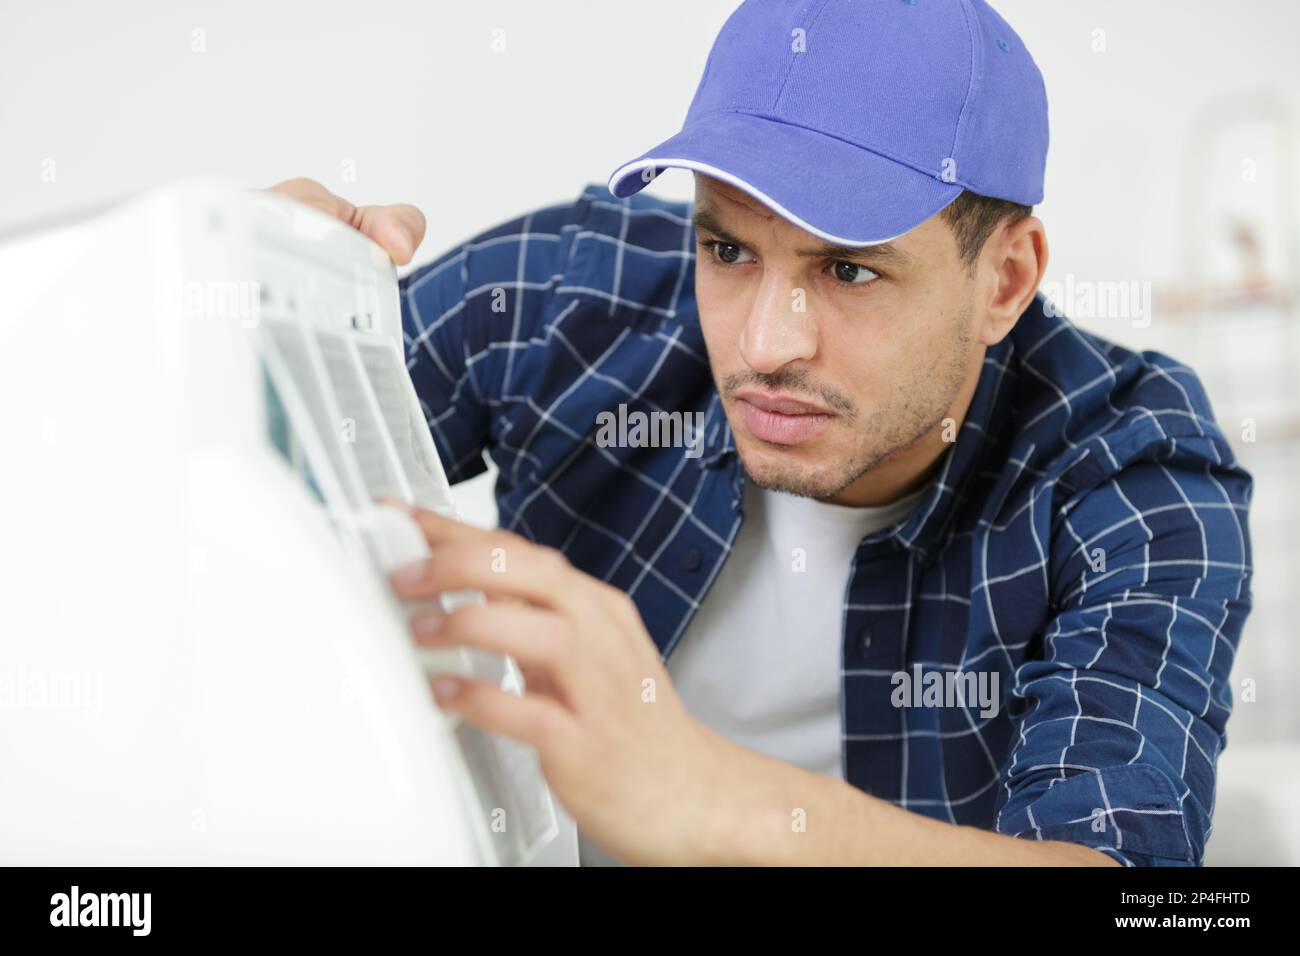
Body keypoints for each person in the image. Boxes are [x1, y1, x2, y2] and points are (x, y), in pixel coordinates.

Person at [271, 0, 1252, 866]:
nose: (763, 343)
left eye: (849, 270)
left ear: (1004, 278)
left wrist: (708, 795)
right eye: (728, 247)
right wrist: (219, 296)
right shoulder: (563, 297)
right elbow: (208, 500)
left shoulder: (1130, 459)